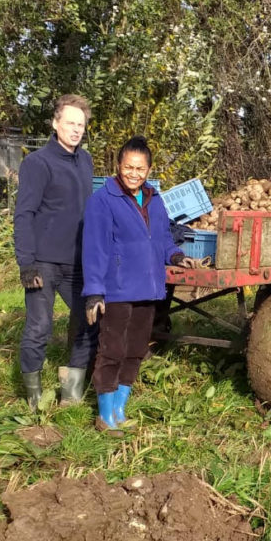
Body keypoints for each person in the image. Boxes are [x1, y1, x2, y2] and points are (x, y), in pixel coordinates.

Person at [82, 137, 200, 432]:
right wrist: (95, 291)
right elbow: (94, 248)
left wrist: (175, 254)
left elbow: (161, 237)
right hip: (118, 288)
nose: (133, 174)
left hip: (148, 289)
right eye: (128, 167)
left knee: (135, 349)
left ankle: (121, 409)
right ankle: (105, 414)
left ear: (149, 169)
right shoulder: (103, 200)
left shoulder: (153, 198)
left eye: (140, 168)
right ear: (118, 166)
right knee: (113, 349)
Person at [12, 93, 96, 406]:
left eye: (81, 125)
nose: (76, 129)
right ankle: (33, 396)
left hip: (78, 261)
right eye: (70, 123)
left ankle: (71, 392)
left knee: (89, 321)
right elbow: (24, 214)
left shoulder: (85, 161)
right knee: (40, 326)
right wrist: (26, 262)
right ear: (55, 123)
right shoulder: (37, 163)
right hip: (43, 262)